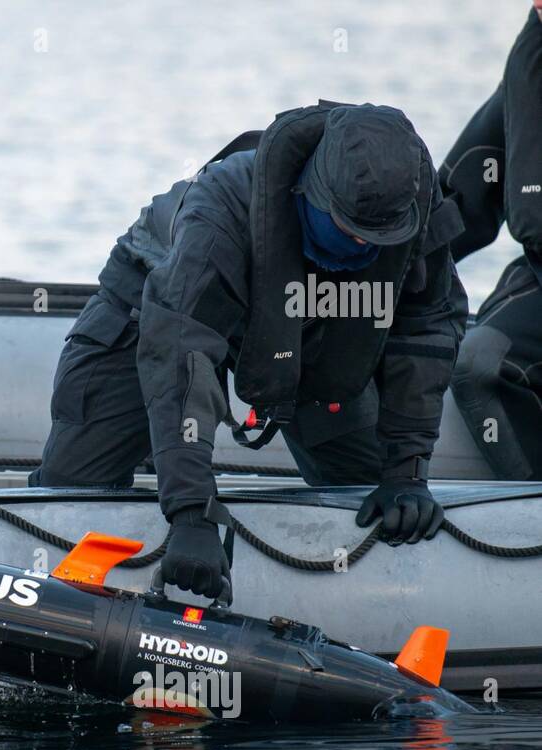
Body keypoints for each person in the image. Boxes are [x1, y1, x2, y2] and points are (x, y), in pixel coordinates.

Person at [32, 102, 468, 598]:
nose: (364, 249)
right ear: (315, 193)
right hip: (152, 307)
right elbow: (179, 351)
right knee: (71, 487)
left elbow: (427, 327)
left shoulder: (410, 202)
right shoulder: (221, 210)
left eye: (377, 239)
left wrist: (407, 471)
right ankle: (164, 469)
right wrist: (192, 515)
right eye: (350, 231)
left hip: (308, 327)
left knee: (375, 495)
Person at [441, 4, 542, 479]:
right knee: (461, 341)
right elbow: (463, 197)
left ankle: (528, 530)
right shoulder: (533, 52)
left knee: (485, 363)